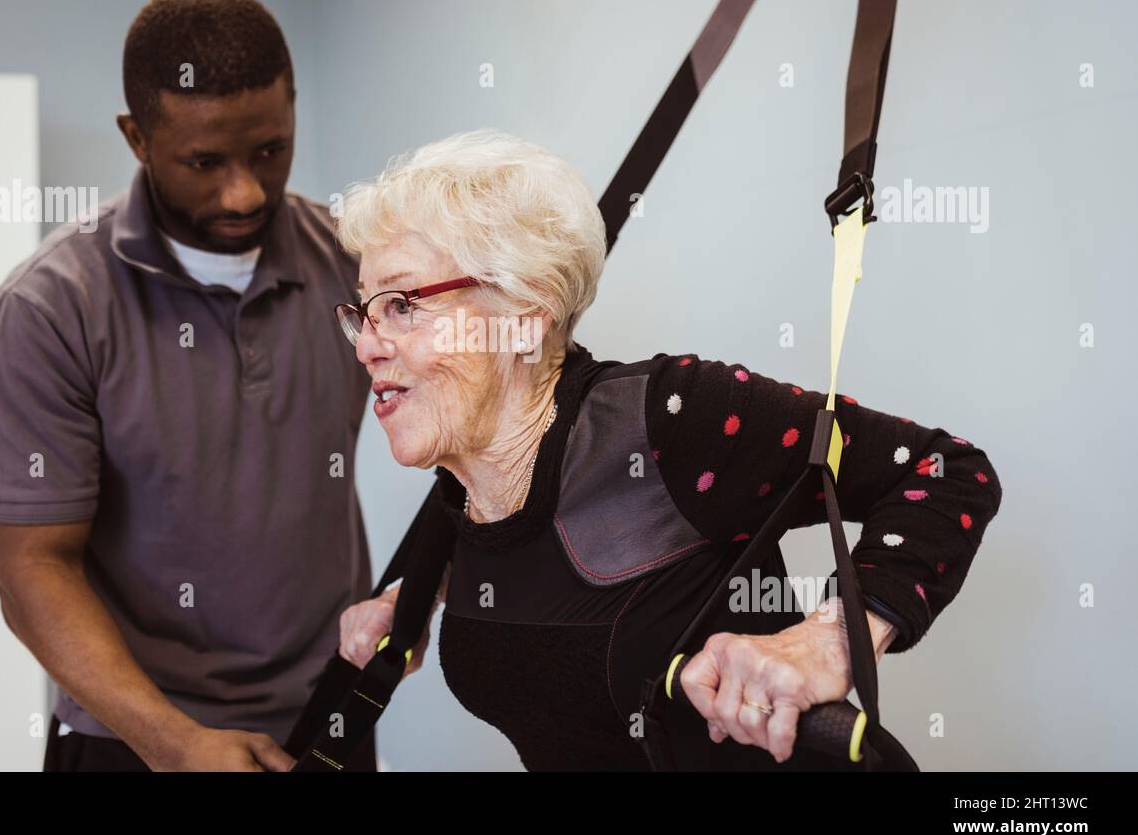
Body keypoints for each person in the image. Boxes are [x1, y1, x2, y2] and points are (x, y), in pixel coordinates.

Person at [334, 128, 1003, 770]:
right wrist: (413, 599)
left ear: (523, 319)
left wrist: (832, 640)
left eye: (401, 306)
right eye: (364, 312)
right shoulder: (467, 481)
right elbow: (536, 555)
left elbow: (947, 472)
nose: (366, 345)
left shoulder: (667, 419)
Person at [0, 0, 392, 771]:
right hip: (135, 739)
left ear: (294, 108)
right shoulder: (50, 308)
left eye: (269, 150)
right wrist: (173, 744)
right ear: (137, 137)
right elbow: (34, 562)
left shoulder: (358, 263)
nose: (243, 191)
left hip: (331, 718)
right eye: (204, 162)